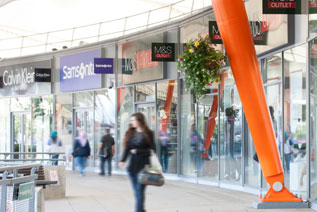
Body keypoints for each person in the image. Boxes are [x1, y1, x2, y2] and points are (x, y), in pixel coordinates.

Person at [119, 112, 155, 212]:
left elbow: (152, 150)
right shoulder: (131, 133)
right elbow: (127, 148)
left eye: (133, 120)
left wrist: (138, 151)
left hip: (144, 168)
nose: (132, 122)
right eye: (131, 120)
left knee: (139, 191)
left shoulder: (149, 133)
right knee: (137, 192)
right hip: (132, 168)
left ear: (140, 120)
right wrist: (122, 160)